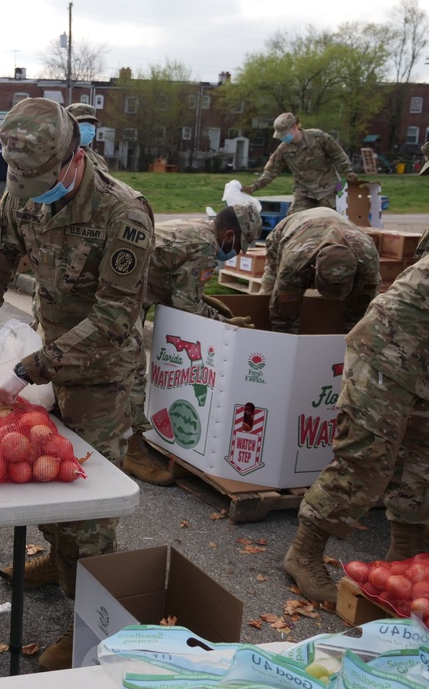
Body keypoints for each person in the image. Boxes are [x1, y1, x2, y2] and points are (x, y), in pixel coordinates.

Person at [0, 97, 154, 672]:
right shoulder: (21, 190)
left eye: (39, 180)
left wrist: (27, 368)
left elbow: (113, 319)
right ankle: (58, 562)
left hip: (102, 376)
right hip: (46, 362)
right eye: (21, 181)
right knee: (42, 477)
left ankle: (90, 628)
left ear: (73, 159)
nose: (29, 193)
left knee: (88, 511)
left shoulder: (123, 212)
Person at [283, 252, 429, 604]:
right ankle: (303, 553)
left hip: (423, 362)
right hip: (388, 348)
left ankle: (405, 554)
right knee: (366, 461)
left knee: (422, 463)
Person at [127, 204, 264, 485]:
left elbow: (172, 275)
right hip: (124, 296)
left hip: (130, 287)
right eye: (237, 247)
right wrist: (227, 324)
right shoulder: (205, 246)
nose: (235, 254)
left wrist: (207, 303)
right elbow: (186, 304)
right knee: (132, 370)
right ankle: (132, 450)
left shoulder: (196, 225)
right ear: (229, 234)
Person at [258, 207, 380, 334]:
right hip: (292, 228)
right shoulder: (294, 266)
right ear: (313, 270)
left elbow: (361, 311)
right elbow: (283, 316)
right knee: (271, 289)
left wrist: (347, 342)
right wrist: (285, 343)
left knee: (362, 308)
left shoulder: (367, 260)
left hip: (345, 233)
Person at [244, 112, 358, 216]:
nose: (283, 138)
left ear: (294, 127)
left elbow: (338, 154)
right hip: (304, 190)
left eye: (285, 134)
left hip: (327, 187)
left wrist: (348, 171)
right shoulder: (283, 149)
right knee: (295, 218)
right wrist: (253, 187)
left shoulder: (318, 137)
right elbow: (270, 171)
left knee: (329, 219)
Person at [66, 102, 109, 172]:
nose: (87, 127)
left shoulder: (100, 161)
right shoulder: (53, 157)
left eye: (91, 122)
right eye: (81, 121)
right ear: (68, 124)